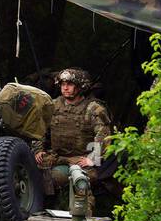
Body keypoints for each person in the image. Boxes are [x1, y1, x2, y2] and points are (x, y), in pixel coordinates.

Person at [32, 68, 112, 213]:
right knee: (32, 175)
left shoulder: (92, 108)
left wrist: (93, 159)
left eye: (70, 84)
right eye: (63, 84)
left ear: (80, 87)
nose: (65, 87)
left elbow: (103, 136)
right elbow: (40, 130)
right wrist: (39, 150)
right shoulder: (53, 105)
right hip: (57, 158)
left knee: (80, 182)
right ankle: (37, 215)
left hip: (81, 161)